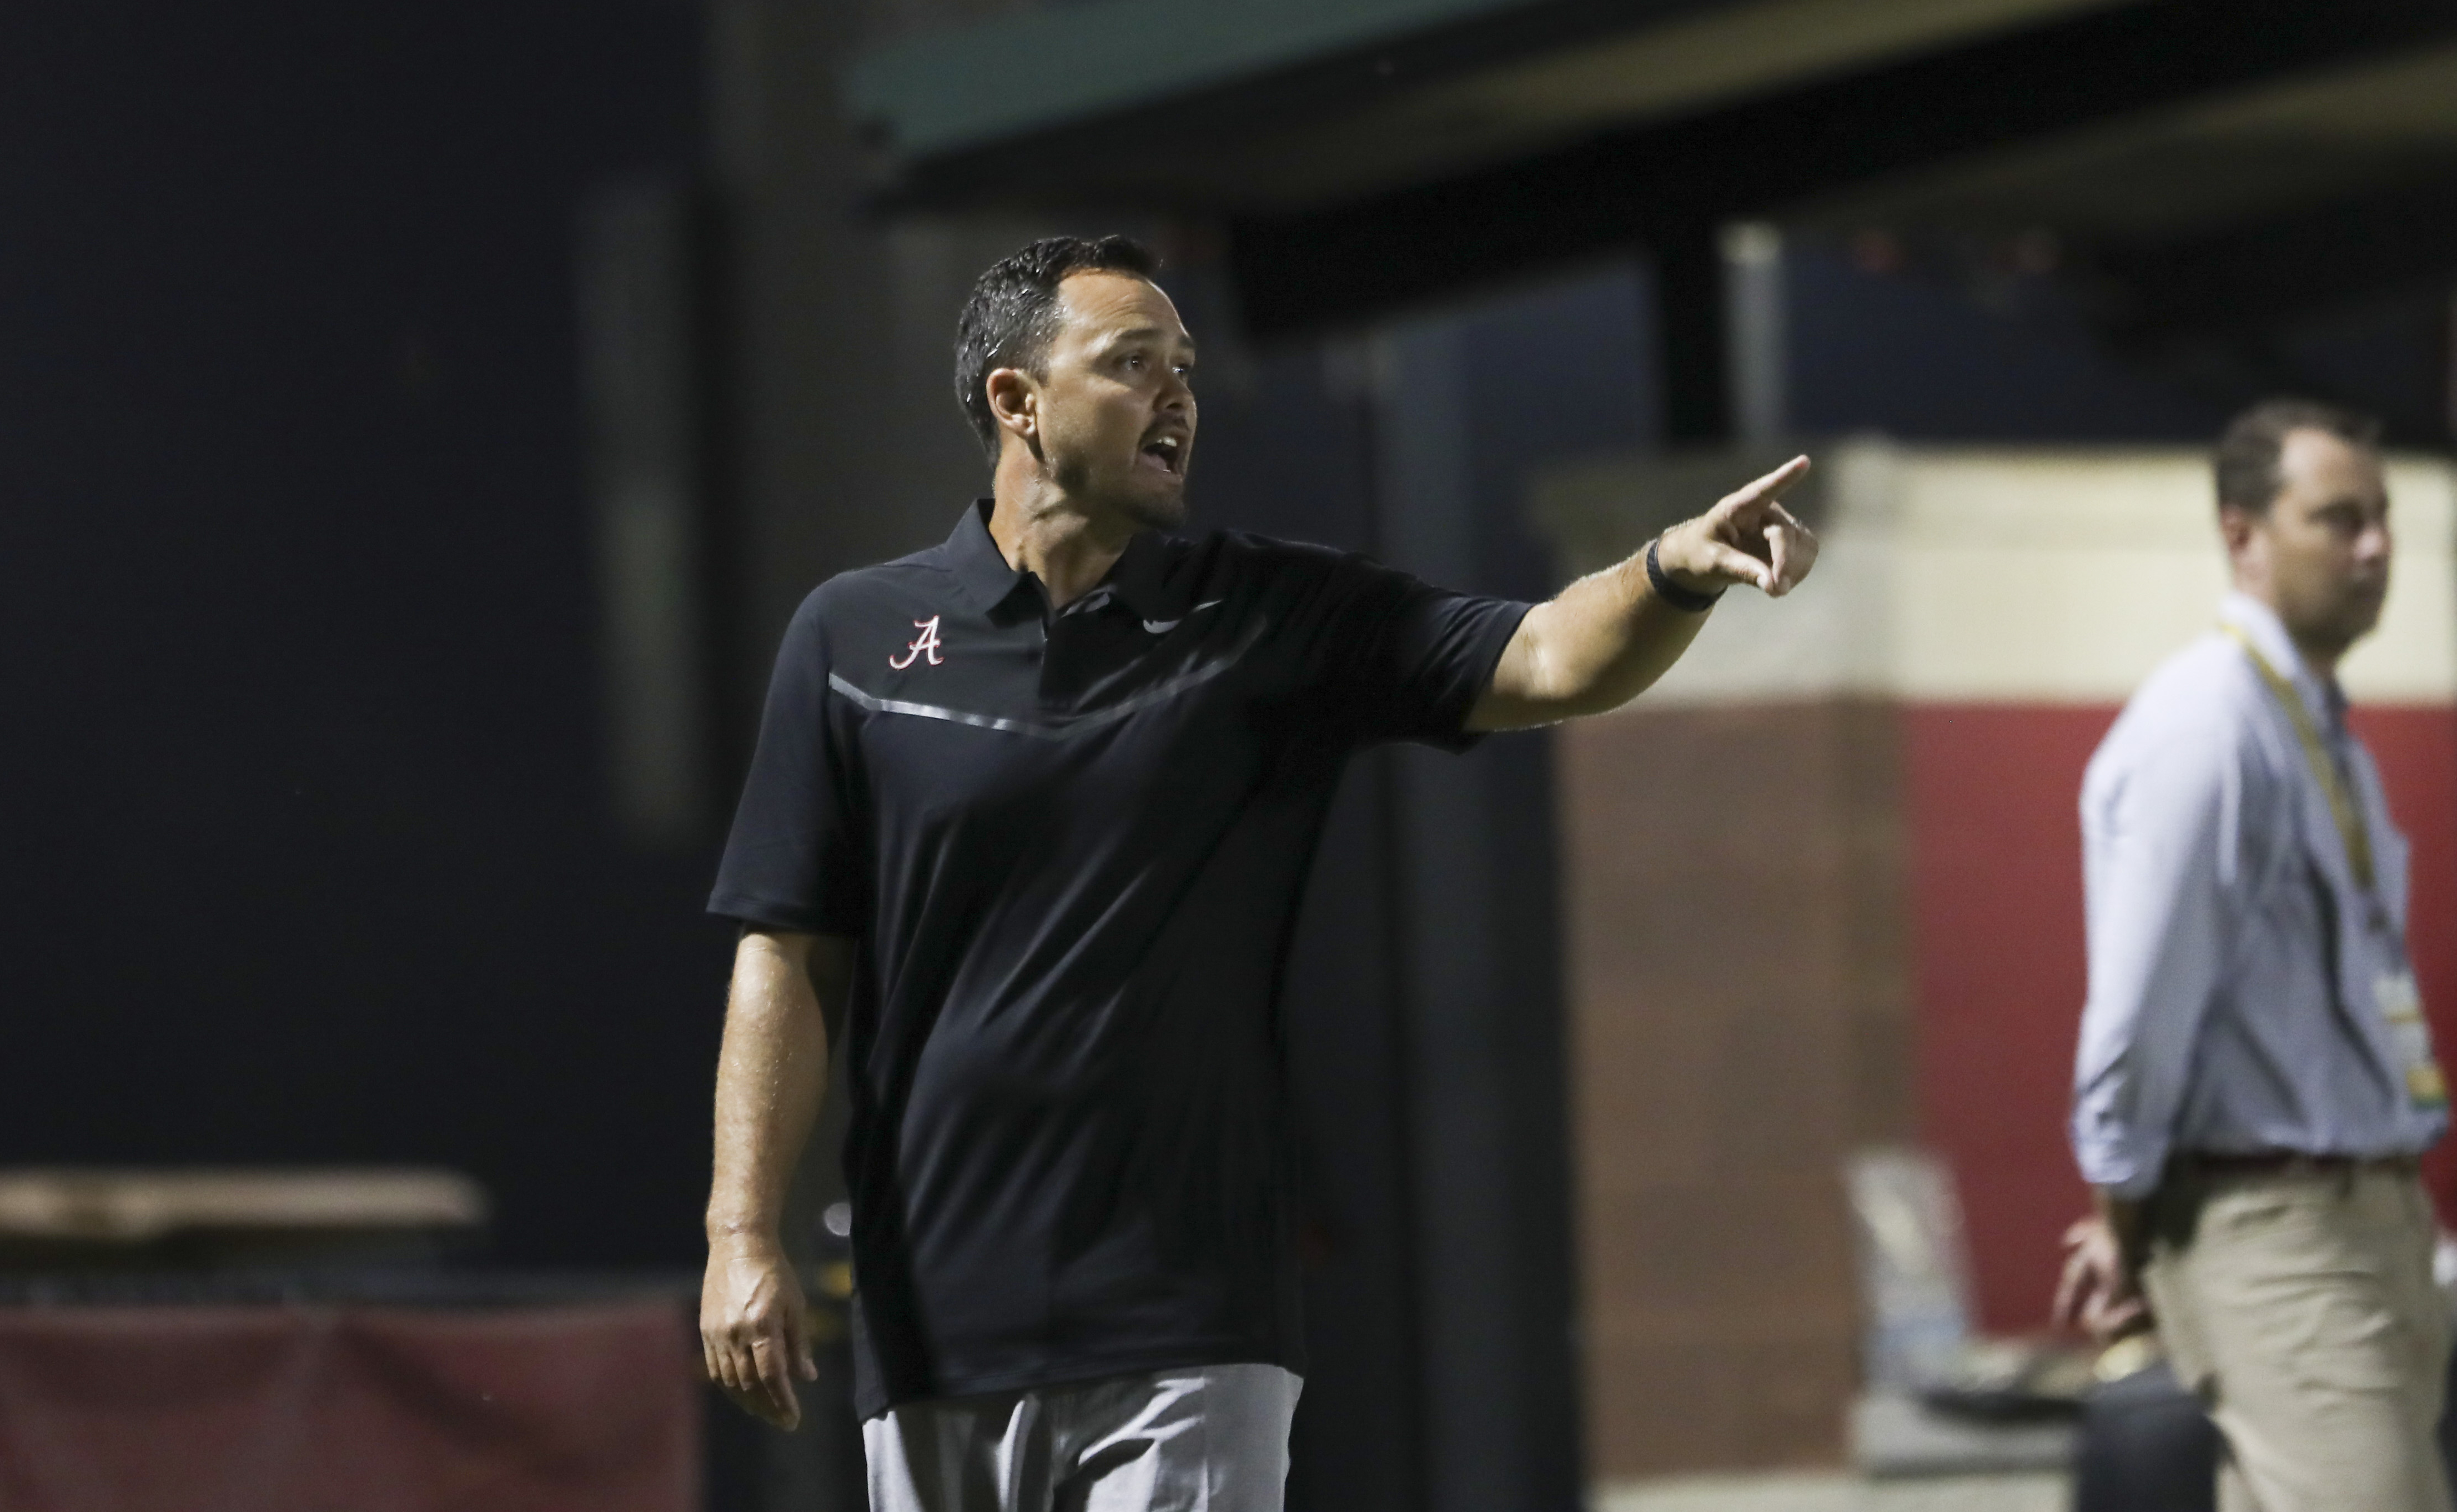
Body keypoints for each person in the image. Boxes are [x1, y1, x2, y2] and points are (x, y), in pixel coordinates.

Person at [697, 234, 1818, 1512]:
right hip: (933, 1325)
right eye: (1132, 364)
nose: (1177, 395)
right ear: (1017, 400)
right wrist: (740, 1233)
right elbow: (788, 955)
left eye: (1184, 368)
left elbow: (1548, 659)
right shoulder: (850, 638)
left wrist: (1669, 572)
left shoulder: (1271, 615)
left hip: (1187, 1318)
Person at [2055, 399, 2451, 1512]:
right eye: (2337, 519)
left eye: (2381, 518)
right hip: (2276, 1237)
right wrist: (2122, 1215)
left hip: (2372, 1221)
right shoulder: (2207, 728)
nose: (2374, 547)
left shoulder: (2317, 729)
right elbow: (2137, 1020)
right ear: (2243, 535)